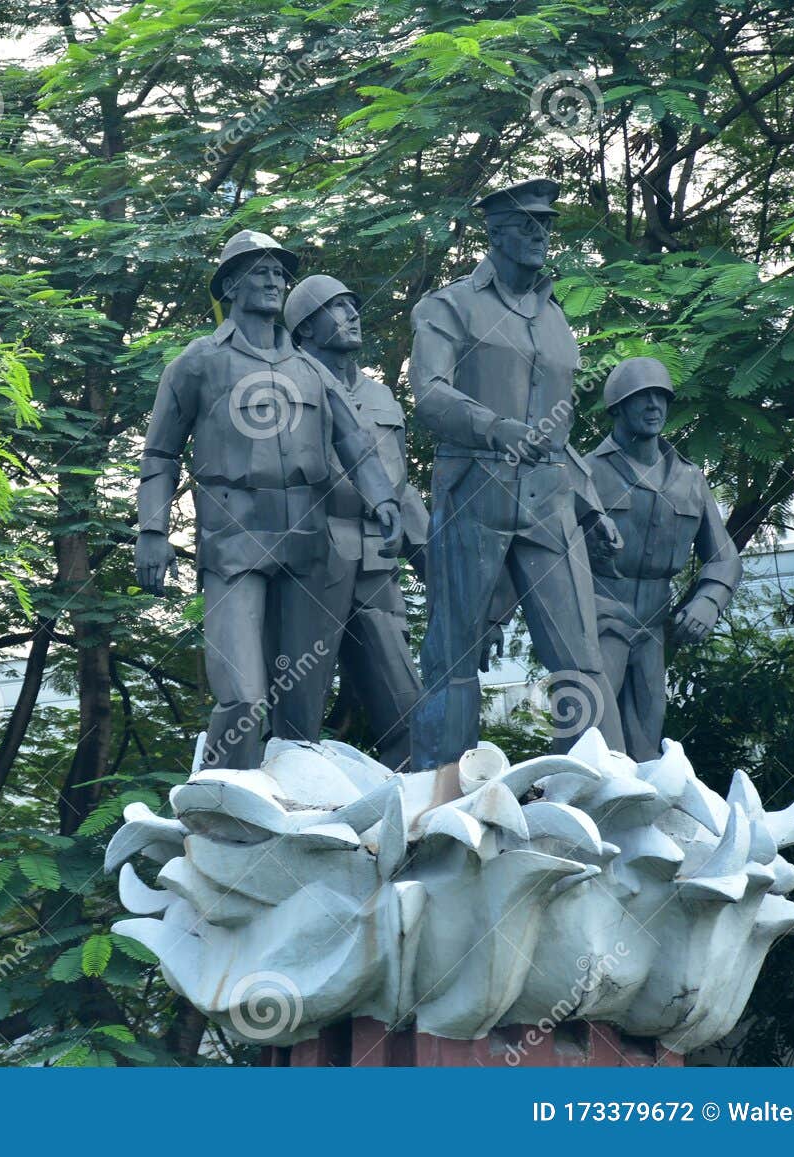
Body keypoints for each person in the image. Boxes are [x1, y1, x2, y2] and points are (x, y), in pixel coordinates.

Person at [135, 231, 401, 770]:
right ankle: (219, 801)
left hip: (307, 543)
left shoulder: (311, 369)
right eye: (261, 271)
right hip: (233, 539)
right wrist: (152, 531)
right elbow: (161, 453)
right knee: (243, 697)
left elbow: (353, 442)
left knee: (300, 709)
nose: (275, 281)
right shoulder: (199, 362)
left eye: (280, 273)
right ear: (231, 285)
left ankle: (295, 808)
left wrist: (383, 500)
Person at [407, 179, 623, 794]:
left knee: (579, 653)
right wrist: (495, 427)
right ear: (496, 232)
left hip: (550, 498)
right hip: (475, 487)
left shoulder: (556, 319)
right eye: (528, 224)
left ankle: (592, 792)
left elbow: (561, 427)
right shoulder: (449, 307)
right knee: (454, 652)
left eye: (546, 224)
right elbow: (429, 393)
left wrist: (590, 504)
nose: (540, 234)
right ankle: (440, 794)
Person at [285, 274, 428, 769]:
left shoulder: (381, 396)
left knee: (406, 708)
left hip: (377, 568)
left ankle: (417, 806)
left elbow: (400, 488)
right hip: (310, 564)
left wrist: (432, 562)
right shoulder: (286, 388)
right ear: (305, 327)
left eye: (353, 305)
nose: (352, 315)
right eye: (336, 307)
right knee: (295, 709)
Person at [586, 356, 740, 761]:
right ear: (617, 407)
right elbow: (548, 553)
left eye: (662, 397)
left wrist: (708, 602)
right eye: (642, 397)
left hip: (653, 627)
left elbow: (724, 557)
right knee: (592, 735)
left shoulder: (689, 478)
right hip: (600, 620)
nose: (654, 406)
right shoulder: (585, 475)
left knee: (647, 742)